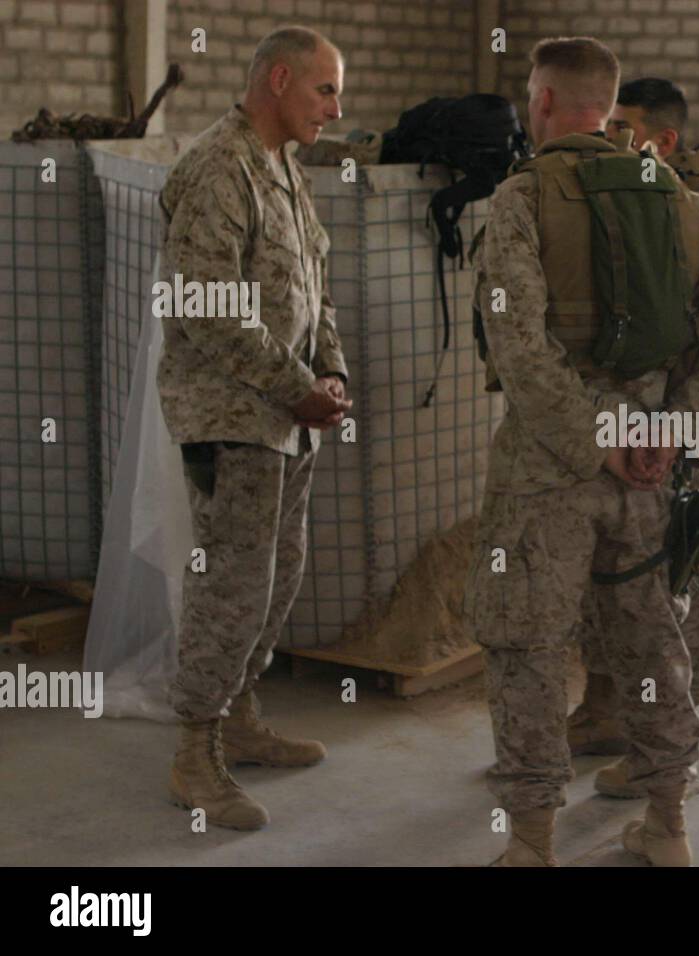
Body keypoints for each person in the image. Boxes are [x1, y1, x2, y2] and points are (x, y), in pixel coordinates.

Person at [466, 38, 699, 867]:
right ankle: (668, 826)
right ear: (610, 102)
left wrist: (601, 433)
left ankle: (530, 841)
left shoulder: (520, 200)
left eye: (531, 95)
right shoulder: (683, 199)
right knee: (652, 641)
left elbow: (517, 341)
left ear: (547, 102)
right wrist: (669, 431)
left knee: (526, 645)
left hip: (545, 475)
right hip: (651, 472)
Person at [159, 26, 352, 830]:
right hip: (236, 416)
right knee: (232, 588)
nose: (336, 110)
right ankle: (194, 752)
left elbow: (317, 286)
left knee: (278, 576)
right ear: (278, 79)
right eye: (326, 91)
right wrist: (298, 386)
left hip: (290, 419)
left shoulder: (284, 170)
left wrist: (330, 370)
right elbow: (207, 311)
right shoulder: (217, 167)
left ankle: (239, 718)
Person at [566, 77, 699, 804]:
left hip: (688, 450)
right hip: (634, 439)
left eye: (623, 126)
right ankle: (608, 713)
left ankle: (668, 762)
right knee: (619, 592)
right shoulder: (625, 207)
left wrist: (682, 436)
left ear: (662, 142)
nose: (608, 137)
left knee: (684, 598)